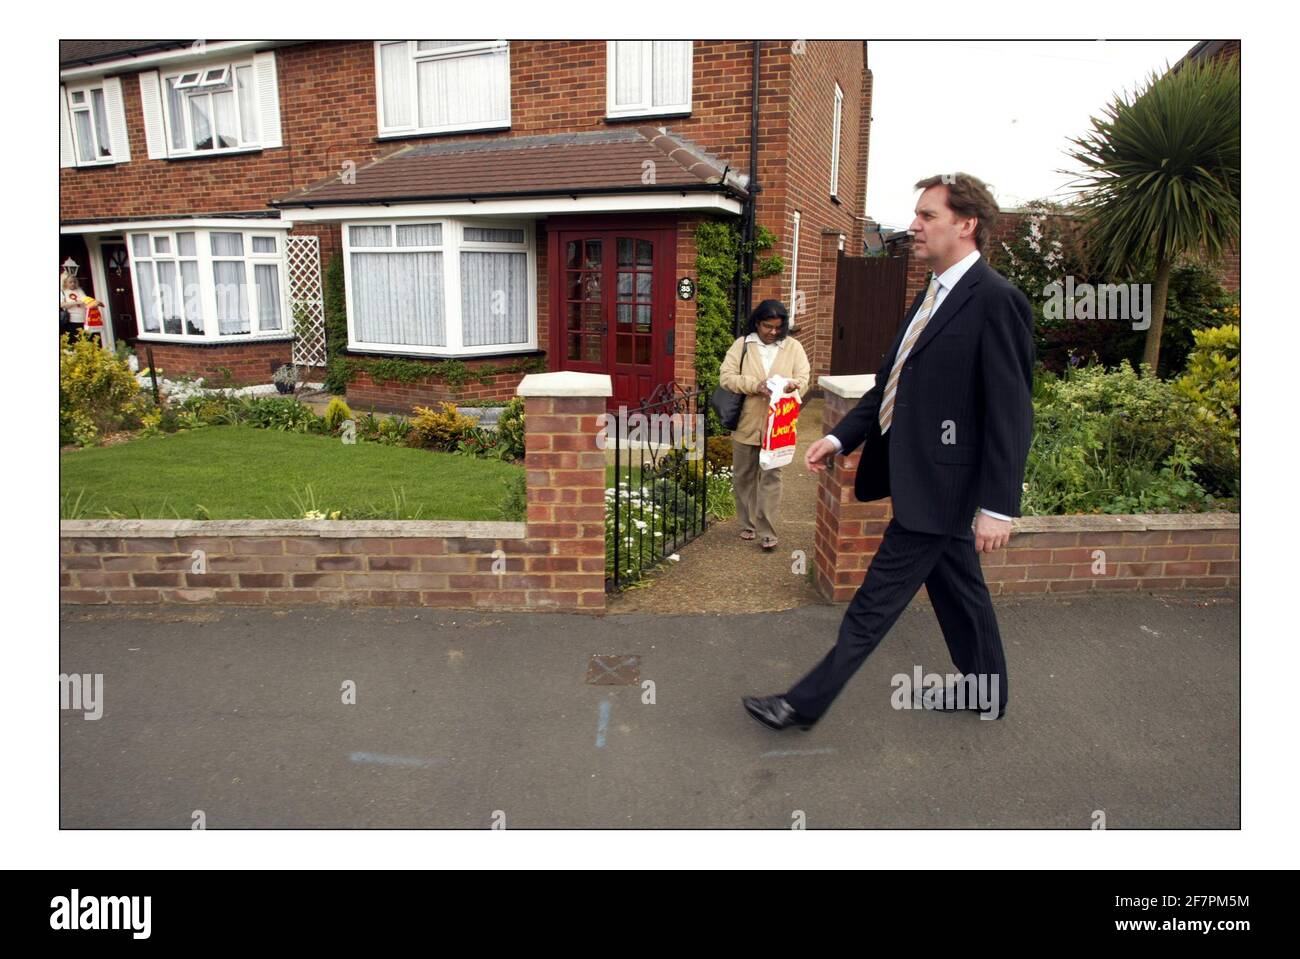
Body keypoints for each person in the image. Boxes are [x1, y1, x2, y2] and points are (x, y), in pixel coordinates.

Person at [743, 173, 1034, 729]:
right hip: (921, 478)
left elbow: (1011, 410)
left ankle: (803, 704)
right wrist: (838, 436)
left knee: (874, 603)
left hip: (943, 487)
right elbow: (890, 384)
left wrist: (999, 506)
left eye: (928, 216)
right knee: (961, 594)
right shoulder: (931, 295)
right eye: (917, 215)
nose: (914, 226)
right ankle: (988, 693)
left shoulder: (997, 300)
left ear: (966, 225)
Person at [718, 300, 811, 551]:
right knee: (744, 476)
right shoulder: (742, 345)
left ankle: (767, 531)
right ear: (757, 323)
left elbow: (804, 378)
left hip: (778, 425)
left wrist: (793, 385)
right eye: (767, 326)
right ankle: (748, 524)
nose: (772, 332)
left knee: (772, 475)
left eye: (778, 328)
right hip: (747, 422)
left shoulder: (794, 347)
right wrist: (755, 385)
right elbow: (725, 377)